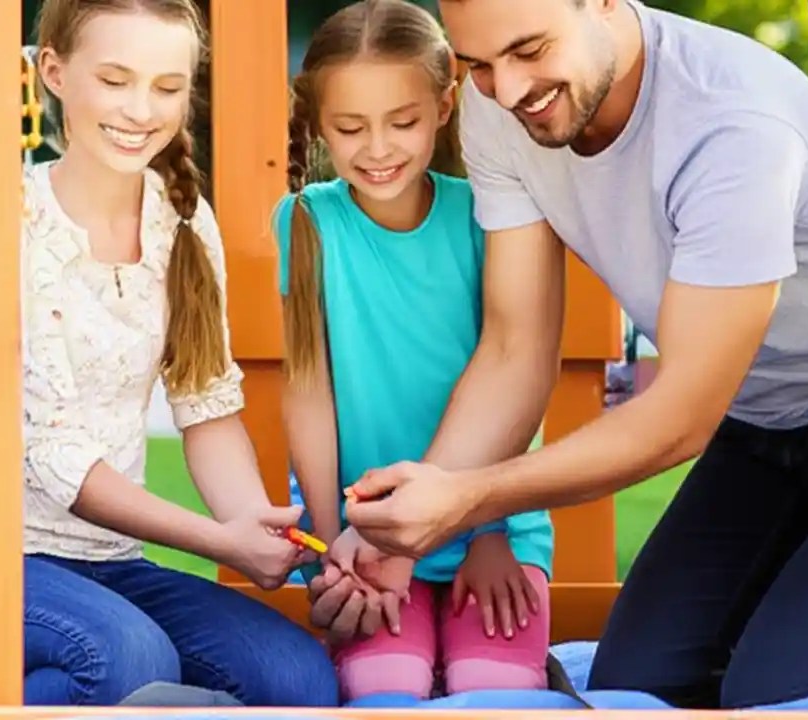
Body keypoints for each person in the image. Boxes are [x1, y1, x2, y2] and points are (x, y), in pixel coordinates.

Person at [341, 0, 808, 709]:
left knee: (798, 691)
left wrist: (467, 500)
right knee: (639, 687)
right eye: (480, 64)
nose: (509, 88)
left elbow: (681, 416)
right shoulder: (499, 110)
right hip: (764, 421)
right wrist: (405, 526)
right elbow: (513, 350)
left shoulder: (733, 123)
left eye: (530, 50)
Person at [0, 0, 338, 707]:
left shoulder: (183, 221)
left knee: (296, 678)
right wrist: (218, 541)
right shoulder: (6, 220)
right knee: (130, 659)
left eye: (167, 87)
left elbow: (207, 408)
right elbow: (56, 457)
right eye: (115, 80)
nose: (140, 110)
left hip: (108, 564)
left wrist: (253, 524)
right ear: (54, 72)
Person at [274, 0, 555, 701]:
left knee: (493, 693)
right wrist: (336, 548)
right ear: (319, 124)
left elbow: (514, 375)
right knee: (385, 691)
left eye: (402, 122)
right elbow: (309, 390)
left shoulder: (488, 216)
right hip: (362, 535)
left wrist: (487, 530)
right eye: (350, 128)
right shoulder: (306, 222)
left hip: (490, 527)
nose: (377, 148)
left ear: (444, 106)